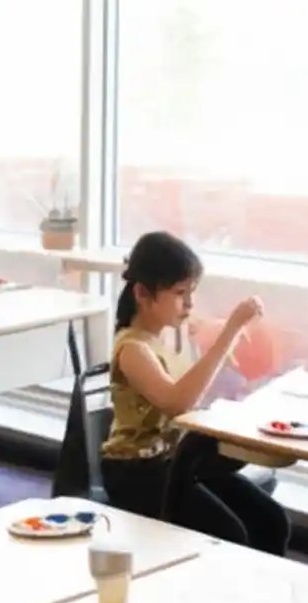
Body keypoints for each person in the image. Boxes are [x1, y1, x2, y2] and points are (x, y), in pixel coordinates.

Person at [102, 231, 290, 555]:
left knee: (271, 520)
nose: (189, 303)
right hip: (135, 471)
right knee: (229, 535)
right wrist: (229, 332)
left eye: (192, 292)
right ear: (143, 294)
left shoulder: (163, 339)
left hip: (171, 461)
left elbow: (192, 396)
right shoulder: (132, 348)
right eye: (180, 293)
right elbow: (177, 402)